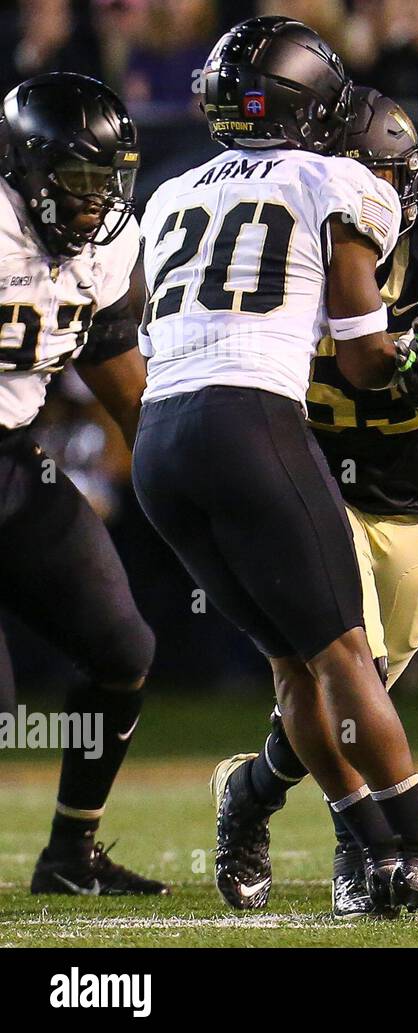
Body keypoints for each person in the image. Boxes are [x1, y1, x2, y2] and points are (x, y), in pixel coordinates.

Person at [131, 16, 418, 918]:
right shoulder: (337, 180)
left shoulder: (172, 191)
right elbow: (367, 356)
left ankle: (369, 846)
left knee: (301, 662)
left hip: (161, 440)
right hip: (252, 426)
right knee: (345, 657)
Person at [0, 72, 166, 897]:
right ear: (24, 171)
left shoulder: (110, 244)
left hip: (13, 459)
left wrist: (174, 474)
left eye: (108, 182)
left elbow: (112, 363)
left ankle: (72, 853)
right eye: (75, 183)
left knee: (122, 647)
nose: (94, 204)